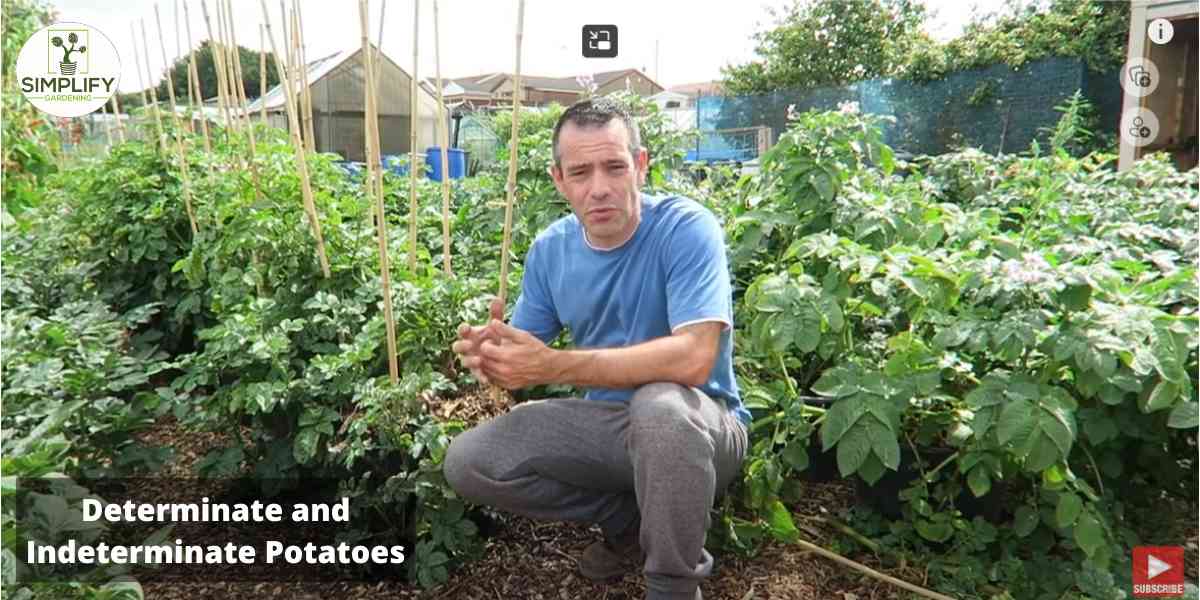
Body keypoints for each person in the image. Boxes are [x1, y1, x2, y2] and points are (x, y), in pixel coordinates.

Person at [444, 97, 751, 600]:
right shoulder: (552, 250)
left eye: (614, 166)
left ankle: (673, 586)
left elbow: (694, 359)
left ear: (641, 165)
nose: (600, 187)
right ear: (559, 180)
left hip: (705, 429)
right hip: (611, 434)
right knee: (472, 459)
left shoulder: (686, 228)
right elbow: (529, 351)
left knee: (661, 406)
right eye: (581, 172)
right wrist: (495, 357)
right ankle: (632, 522)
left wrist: (557, 364)